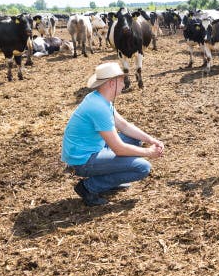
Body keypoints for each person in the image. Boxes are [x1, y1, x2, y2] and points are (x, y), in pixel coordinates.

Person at [62, 62, 164, 206]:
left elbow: (124, 125)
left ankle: (112, 178)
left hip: (91, 150)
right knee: (143, 167)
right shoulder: (99, 108)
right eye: (121, 80)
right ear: (111, 83)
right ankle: (88, 187)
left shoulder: (99, 98)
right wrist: (149, 152)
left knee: (134, 140)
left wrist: (151, 140)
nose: (124, 83)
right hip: (83, 161)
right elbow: (118, 148)